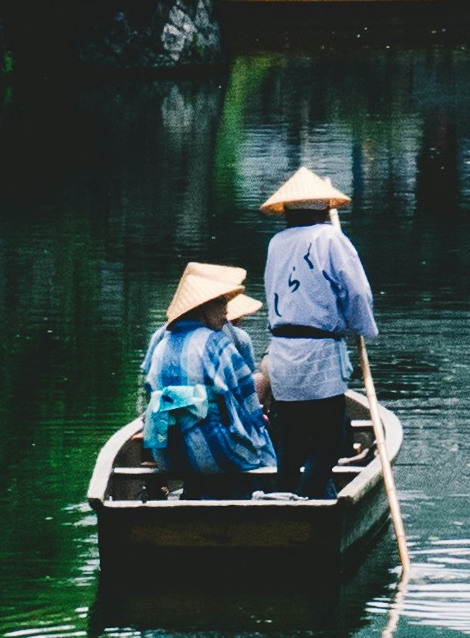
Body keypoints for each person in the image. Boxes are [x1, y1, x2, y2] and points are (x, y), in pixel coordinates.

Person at [258, 166, 379, 484]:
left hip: (282, 351)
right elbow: (356, 292)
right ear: (324, 209)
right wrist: (362, 327)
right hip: (319, 353)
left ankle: (283, 497)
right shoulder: (331, 238)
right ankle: (307, 499)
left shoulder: (276, 243)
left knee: (291, 441)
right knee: (329, 442)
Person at [137, 260, 279, 486]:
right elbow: (247, 405)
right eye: (221, 302)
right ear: (204, 306)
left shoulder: (161, 344)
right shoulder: (217, 344)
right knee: (263, 444)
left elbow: (150, 397)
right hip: (213, 457)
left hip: (167, 459)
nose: (226, 311)